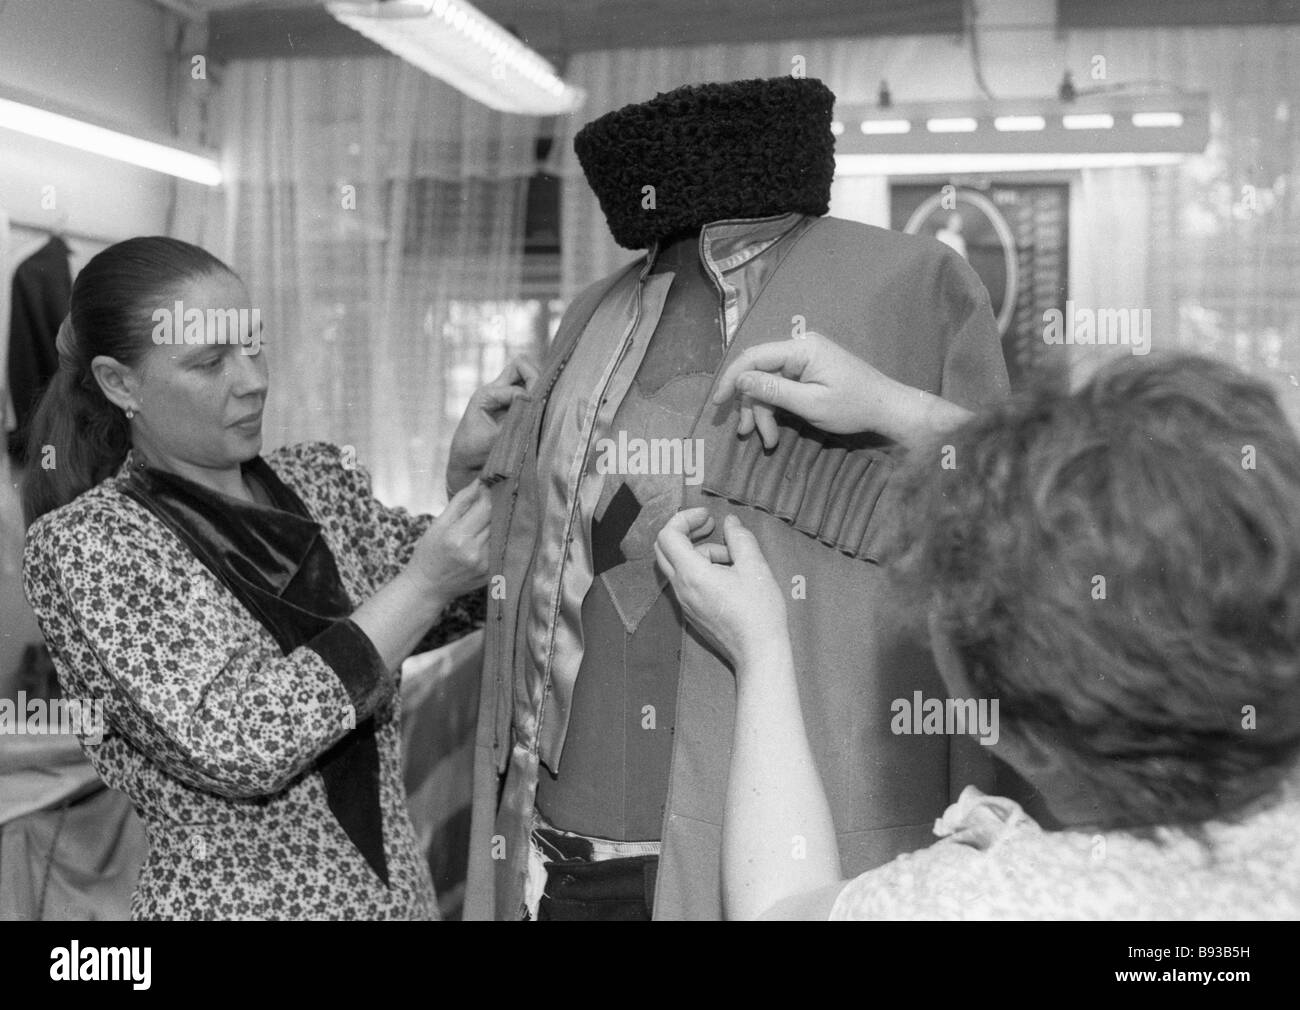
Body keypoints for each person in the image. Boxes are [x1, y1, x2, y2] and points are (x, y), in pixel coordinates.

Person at [461, 76, 1011, 921]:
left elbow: (1025, 544)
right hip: (559, 848)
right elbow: (539, 558)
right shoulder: (592, 315)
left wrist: (898, 414)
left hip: (808, 846)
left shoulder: (907, 290)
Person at [658, 334, 1300, 919]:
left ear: (1030, 744)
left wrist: (760, 647)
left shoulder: (990, 902)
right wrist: (899, 408)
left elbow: (774, 913)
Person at [20, 236, 532, 920]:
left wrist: (475, 480)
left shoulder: (317, 481)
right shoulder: (91, 545)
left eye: (251, 344)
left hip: (393, 901)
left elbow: (456, 603)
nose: (252, 378)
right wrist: (424, 586)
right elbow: (241, 742)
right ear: (121, 384)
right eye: (209, 362)